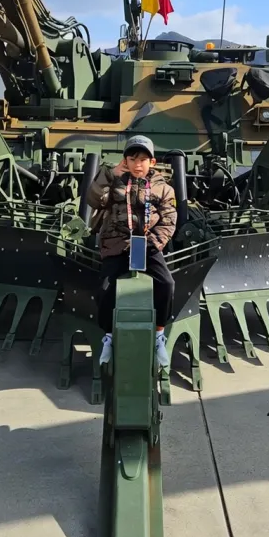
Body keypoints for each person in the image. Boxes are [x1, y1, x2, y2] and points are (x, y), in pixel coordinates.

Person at [86, 135, 177, 367]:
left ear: (152, 162)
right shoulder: (113, 181)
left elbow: (168, 219)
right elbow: (94, 199)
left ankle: (158, 334)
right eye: (132, 158)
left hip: (147, 244)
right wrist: (109, 175)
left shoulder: (163, 188)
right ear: (125, 160)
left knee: (166, 284)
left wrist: (153, 242)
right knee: (105, 287)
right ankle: (108, 335)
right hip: (117, 242)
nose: (138, 164)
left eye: (143, 159)